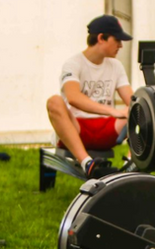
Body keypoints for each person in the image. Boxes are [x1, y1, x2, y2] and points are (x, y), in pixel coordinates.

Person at [46, 15, 134, 178]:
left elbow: (133, 102)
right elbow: (73, 97)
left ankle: (129, 165)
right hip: (77, 129)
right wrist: (112, 111)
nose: (121, 45)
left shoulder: (116, 66)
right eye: (117, 40)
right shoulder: (73, 63)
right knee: (54, 102)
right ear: (101, 38)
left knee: (143, 107)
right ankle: (88, 163)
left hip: (108, 130)